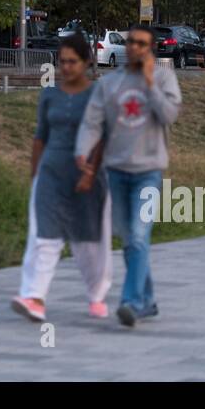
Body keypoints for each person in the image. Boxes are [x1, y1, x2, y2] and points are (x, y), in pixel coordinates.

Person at [74, 23, 181, 328]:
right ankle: (147, 301)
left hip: (148, 173)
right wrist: (82, 151)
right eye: (131, 41)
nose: (134, 47)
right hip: (116, 173)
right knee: (130, 241)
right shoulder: (111, 83)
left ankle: (131, 303)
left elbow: (170, 115)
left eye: (141, 43)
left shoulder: (163, 77)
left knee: (137, 236)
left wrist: (149, 86)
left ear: (151, 48)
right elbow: (92, 122)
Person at [11, 37, 113, 323]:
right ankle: (34, 297)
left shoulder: (97, 95)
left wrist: (91, 172)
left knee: (88, 242)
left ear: (86, 63)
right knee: (43, 236)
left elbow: (104, 137)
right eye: (62, 61)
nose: (66, 67)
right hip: (51, 173)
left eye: (72, 62)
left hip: (86, 175)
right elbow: (40, 136)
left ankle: (96, 294)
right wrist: (35, 176)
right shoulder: (49, 94)